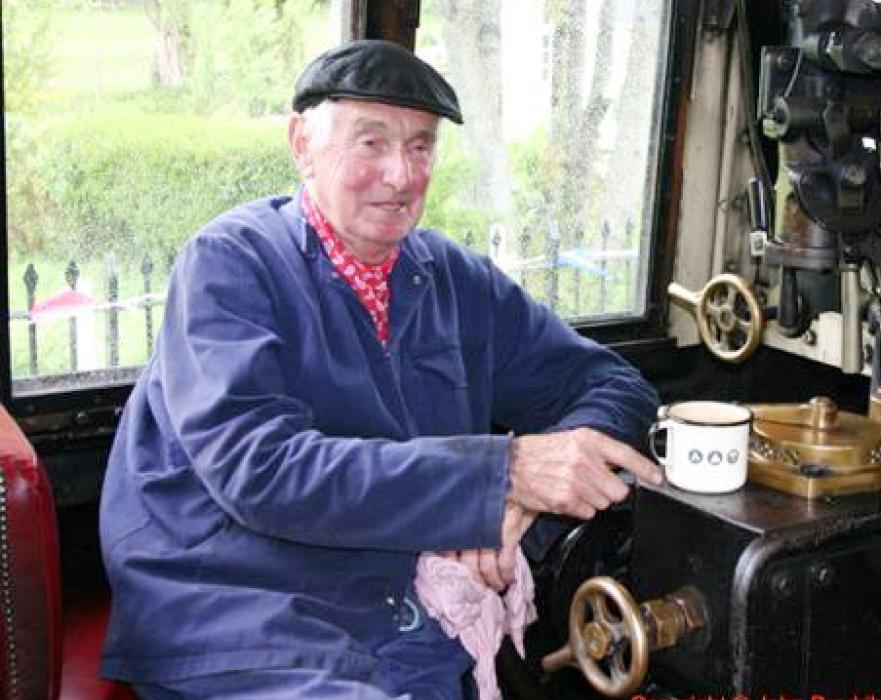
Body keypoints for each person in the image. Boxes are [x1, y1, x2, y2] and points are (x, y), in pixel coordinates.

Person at [99, 39, 661, 700]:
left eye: (420, 146)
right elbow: (262, 471)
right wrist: (501, 473)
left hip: (398, 609)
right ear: (301, 144)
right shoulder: (230, 265)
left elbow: (616, 387)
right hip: (237, 605)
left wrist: (519, 506)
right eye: (370, 143)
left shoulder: (452, 278)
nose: (400, 174)